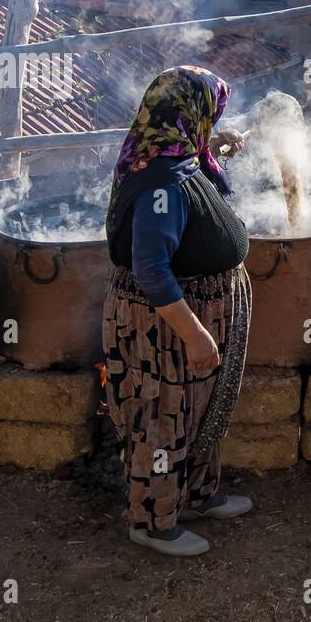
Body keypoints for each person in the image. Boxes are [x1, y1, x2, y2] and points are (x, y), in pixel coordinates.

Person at [103, 66, 253, 557]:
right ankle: (152, 520)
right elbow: (150, 267)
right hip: (162, 327)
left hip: (192, 316)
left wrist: (218, 143)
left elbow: (207, 184)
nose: (213, 121)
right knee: (161, 415)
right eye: (211, 112)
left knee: (199, 410)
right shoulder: (159, 185)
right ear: (188, 114)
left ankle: (197, 494)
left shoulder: (181, 158)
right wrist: (193, 334)